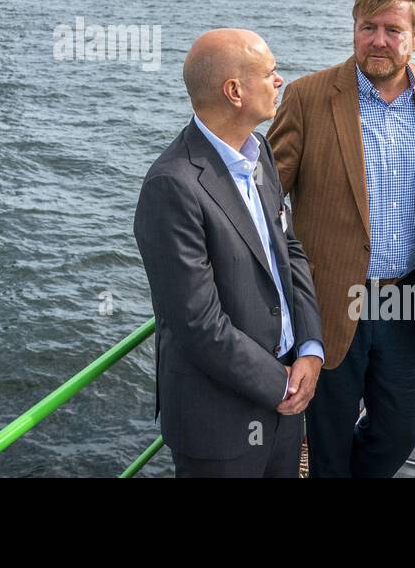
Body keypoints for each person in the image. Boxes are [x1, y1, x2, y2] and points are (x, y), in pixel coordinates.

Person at [268, 0, 415, 477]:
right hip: (330, 297)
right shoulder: (307, 97)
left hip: (406, 298)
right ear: (354, 30)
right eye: (367, 27)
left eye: (392, 29)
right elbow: (264, 197)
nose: (378, 40)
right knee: (327, 439)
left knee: (399, 431)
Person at [134, 28, 324, 477]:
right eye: (270, 73)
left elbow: (290, 251)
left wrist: (311, 349)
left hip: (285, 404)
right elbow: (199, 324)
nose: (280, 81)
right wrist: (284, 384)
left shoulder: (258, 154)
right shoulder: (172, 186)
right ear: (234, 91)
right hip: (220, 423)